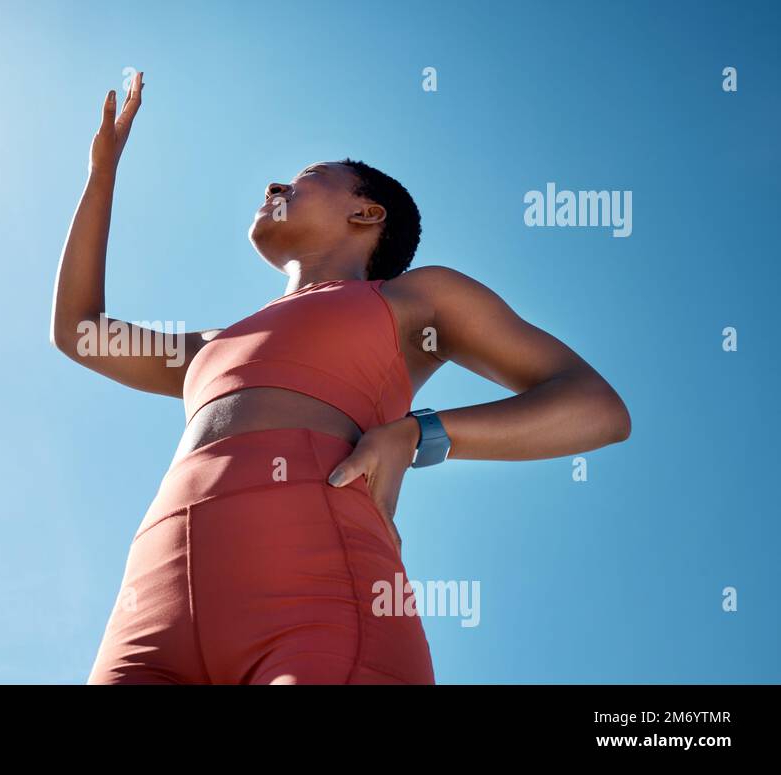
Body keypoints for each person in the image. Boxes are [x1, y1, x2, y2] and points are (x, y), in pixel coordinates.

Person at [50, 72, 631, 684]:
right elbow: (79, 330)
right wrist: (102, 173)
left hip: (321, 589)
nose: (275, 184)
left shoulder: (415, 297)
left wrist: (419, 433)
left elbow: (596, 407)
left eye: (307, 175)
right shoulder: (213, 346)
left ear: (366, 211)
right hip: (153, 601)